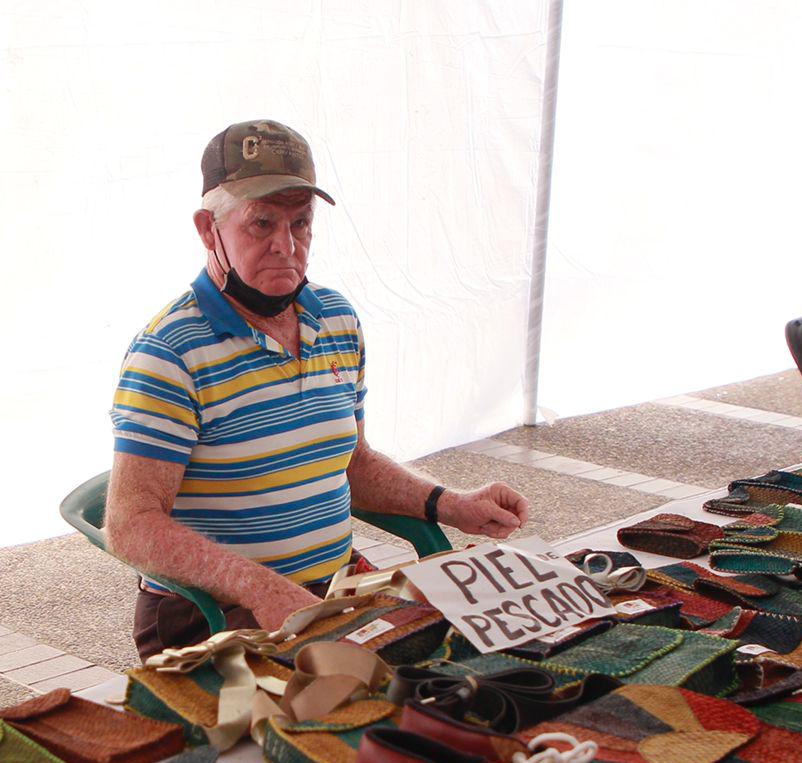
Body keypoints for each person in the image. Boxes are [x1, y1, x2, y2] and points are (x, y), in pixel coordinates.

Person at [107, 119, 528, 660]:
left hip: (330, 591)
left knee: (482, 659)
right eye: (262, 223)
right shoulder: (170, 352)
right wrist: (259, 587)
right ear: (209, 230)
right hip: (215, 611)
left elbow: (353, 462)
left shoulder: (336, 320)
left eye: (300, 224)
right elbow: (129, 523)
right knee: (372, 710)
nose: (286, 245)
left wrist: (451, 504)